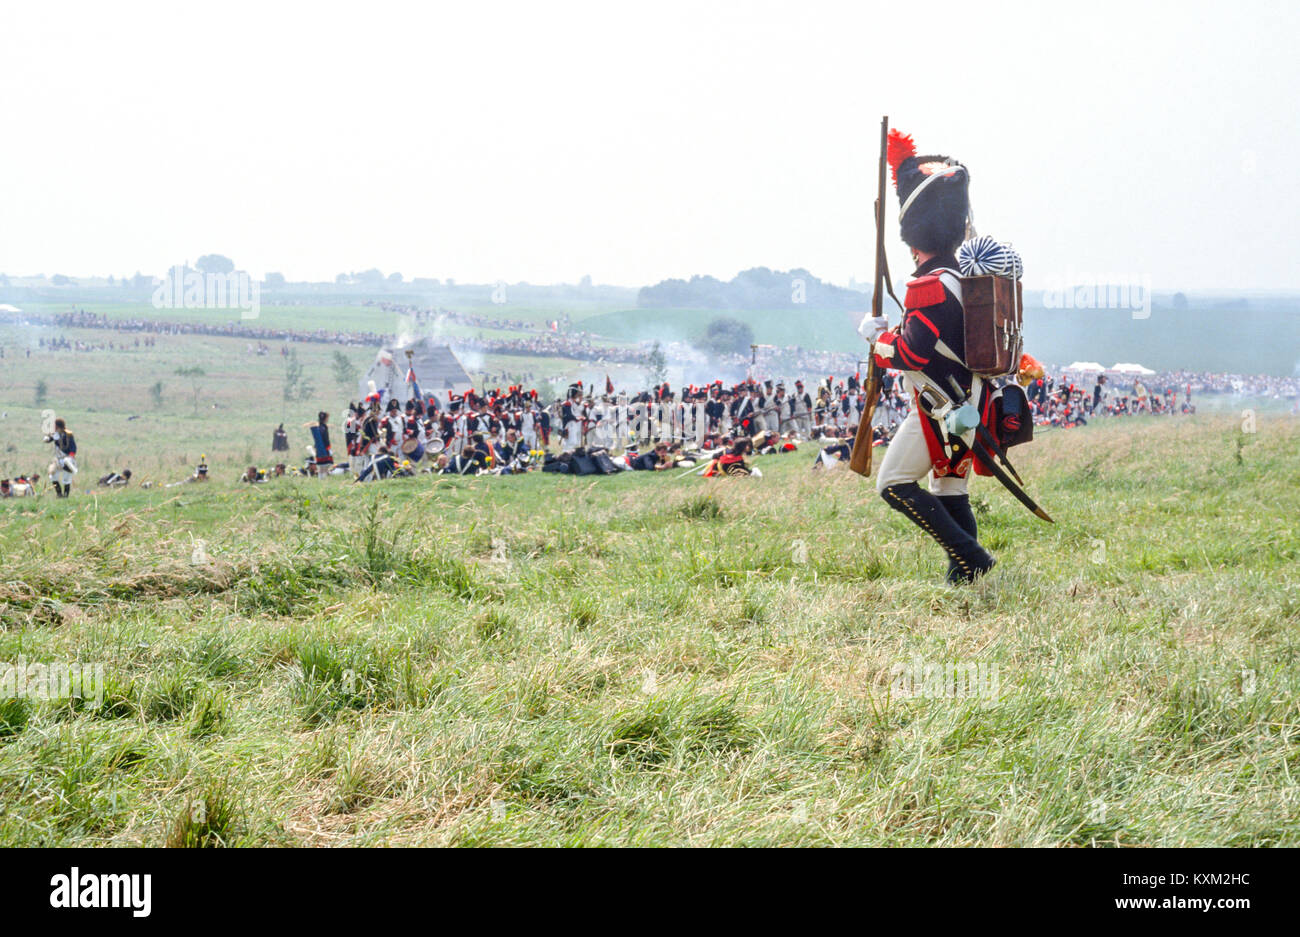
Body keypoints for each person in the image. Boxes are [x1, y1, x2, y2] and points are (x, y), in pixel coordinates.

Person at [862, 128, 997, 584]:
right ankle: (965, 580)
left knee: (894, 485)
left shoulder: (929, 284)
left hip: (939, 405)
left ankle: (972, 558)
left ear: (913, 233)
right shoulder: (957, 276)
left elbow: (910, 353)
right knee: (949, 488)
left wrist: (876, 341)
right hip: (967, 403)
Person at [45, 418, 78, 497]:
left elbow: (73, 448)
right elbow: (50, 439)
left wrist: (70, 458)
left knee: (66, 479)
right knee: (52, 476)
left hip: (67, 459)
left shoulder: (68, 435)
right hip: (58, 460)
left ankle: (66, 496)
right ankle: (59, 494)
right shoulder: (55, 434)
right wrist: (47, 439)